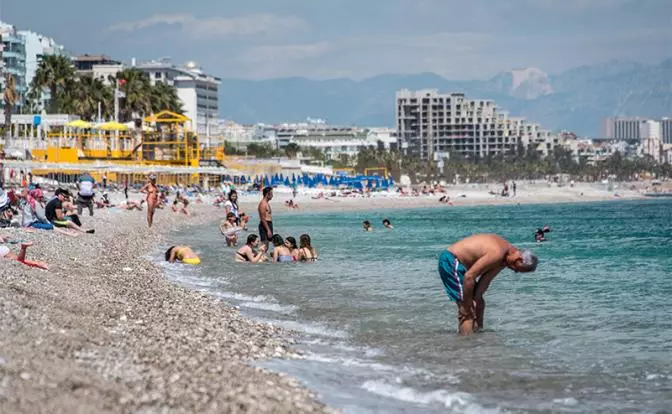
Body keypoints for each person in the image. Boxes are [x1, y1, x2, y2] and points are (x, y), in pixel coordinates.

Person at [437, 234, 538, 335]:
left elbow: (484, 283)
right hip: (451, 260)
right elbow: (469, 277)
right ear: (519, 259)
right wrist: (467, 305)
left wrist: (477, 299)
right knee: (467, 312)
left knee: (479, 304)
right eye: (517, 269)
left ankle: (478, 341)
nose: (514, 270)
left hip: (461, 266)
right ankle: (466, 346)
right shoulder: (497, 253)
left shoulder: (504, 260)